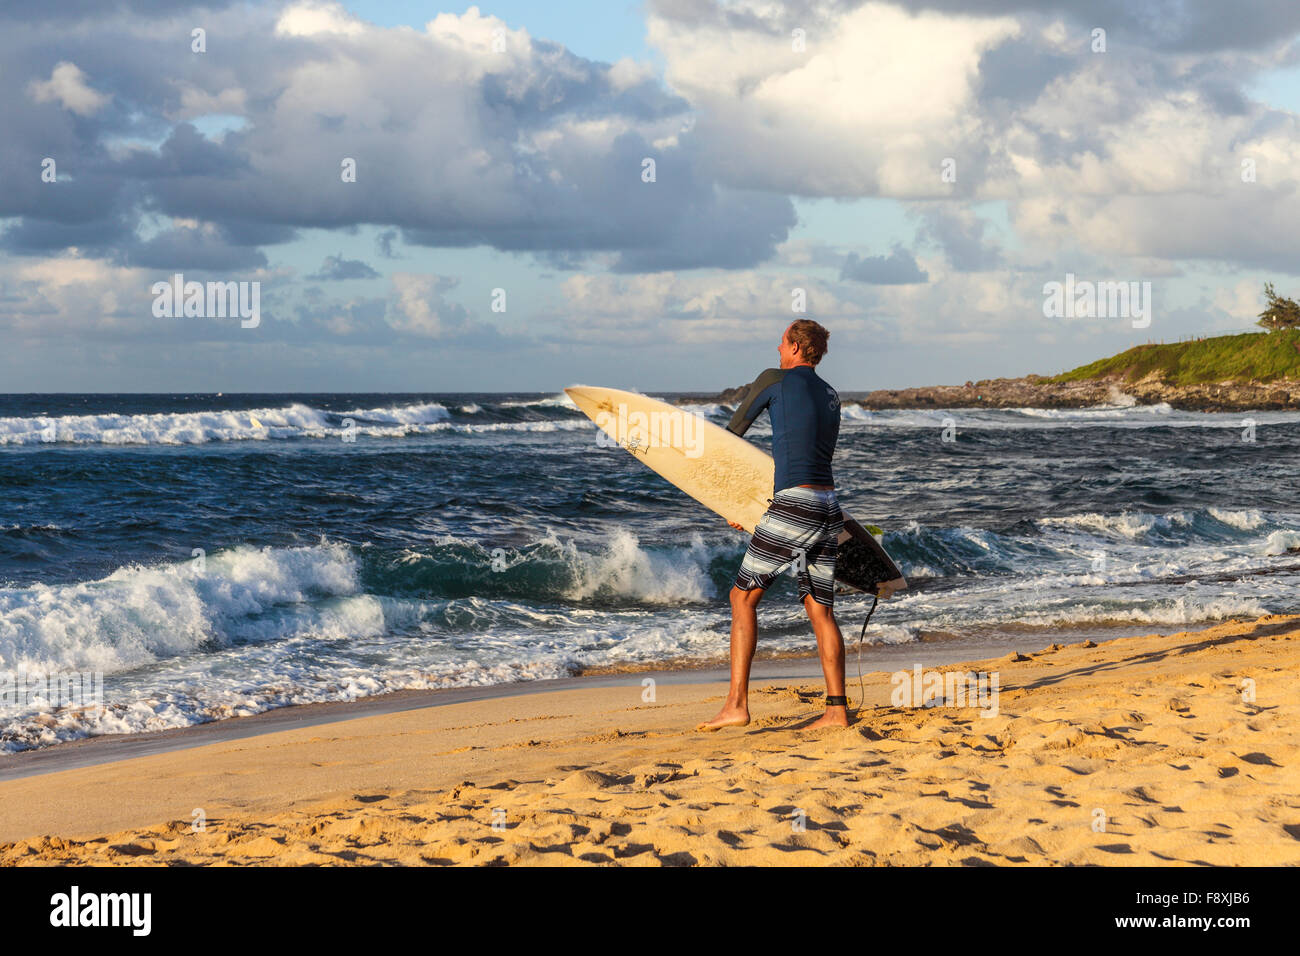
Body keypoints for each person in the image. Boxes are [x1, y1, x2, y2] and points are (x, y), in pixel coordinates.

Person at [698, 319, 849, 731]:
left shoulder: (773, 379)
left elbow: (731, 439)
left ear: (797, 348)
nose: (777, 348)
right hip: (828, 507)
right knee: (820, 609)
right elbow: (807, 454)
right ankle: (836, 711)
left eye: (782, 342)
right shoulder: (832, 396)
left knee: (741, 598)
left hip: (794, 505)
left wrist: (730, 501)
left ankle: (736, 704)